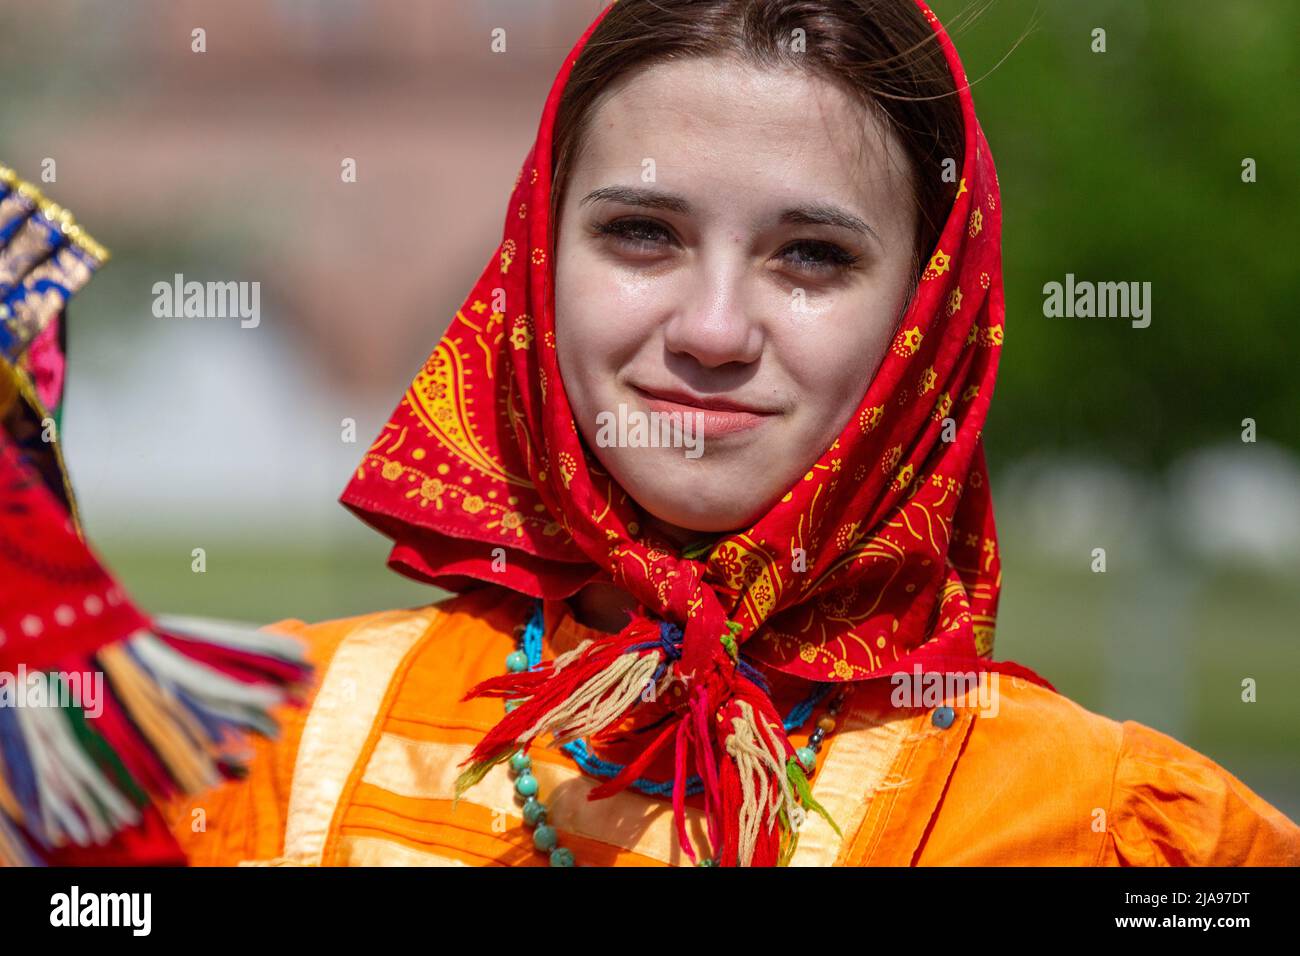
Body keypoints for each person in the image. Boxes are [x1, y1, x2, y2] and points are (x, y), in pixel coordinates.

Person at [161, 0, 1299, 867]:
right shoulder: (268, 746)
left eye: (812, 256)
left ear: (926, 315)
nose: (710, 330)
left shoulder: (1102, 819)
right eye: (643, 233)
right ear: (537, 262)